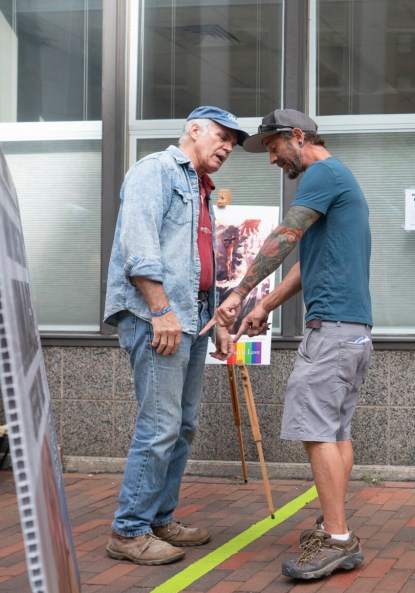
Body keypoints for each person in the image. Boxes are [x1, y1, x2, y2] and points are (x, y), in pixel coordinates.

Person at [201, 108, 373, 580]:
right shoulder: (339, 180)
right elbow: (308, 261)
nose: (272, 159)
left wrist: (237, 292)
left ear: (298, 136)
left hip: (333, 332)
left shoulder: (322, 173)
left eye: (274, 148)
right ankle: (335, 525)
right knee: (335, 431)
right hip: (351, 329)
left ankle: (337, 539)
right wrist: (265, 305)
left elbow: (285, 236)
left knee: (318, 431)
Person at [102, 106, 247, 565]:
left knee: (182, 425)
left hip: (190, 318)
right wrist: (161, 310)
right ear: (194, 130)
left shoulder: (200, 188)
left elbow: (199, 264)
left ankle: (158, 518)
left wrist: (217, 322)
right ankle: (128, 531)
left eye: (232, 143)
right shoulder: (157, 170)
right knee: (160, 425)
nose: (226, 148)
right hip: (156, 318)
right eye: (222, 137)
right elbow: (138, 245)